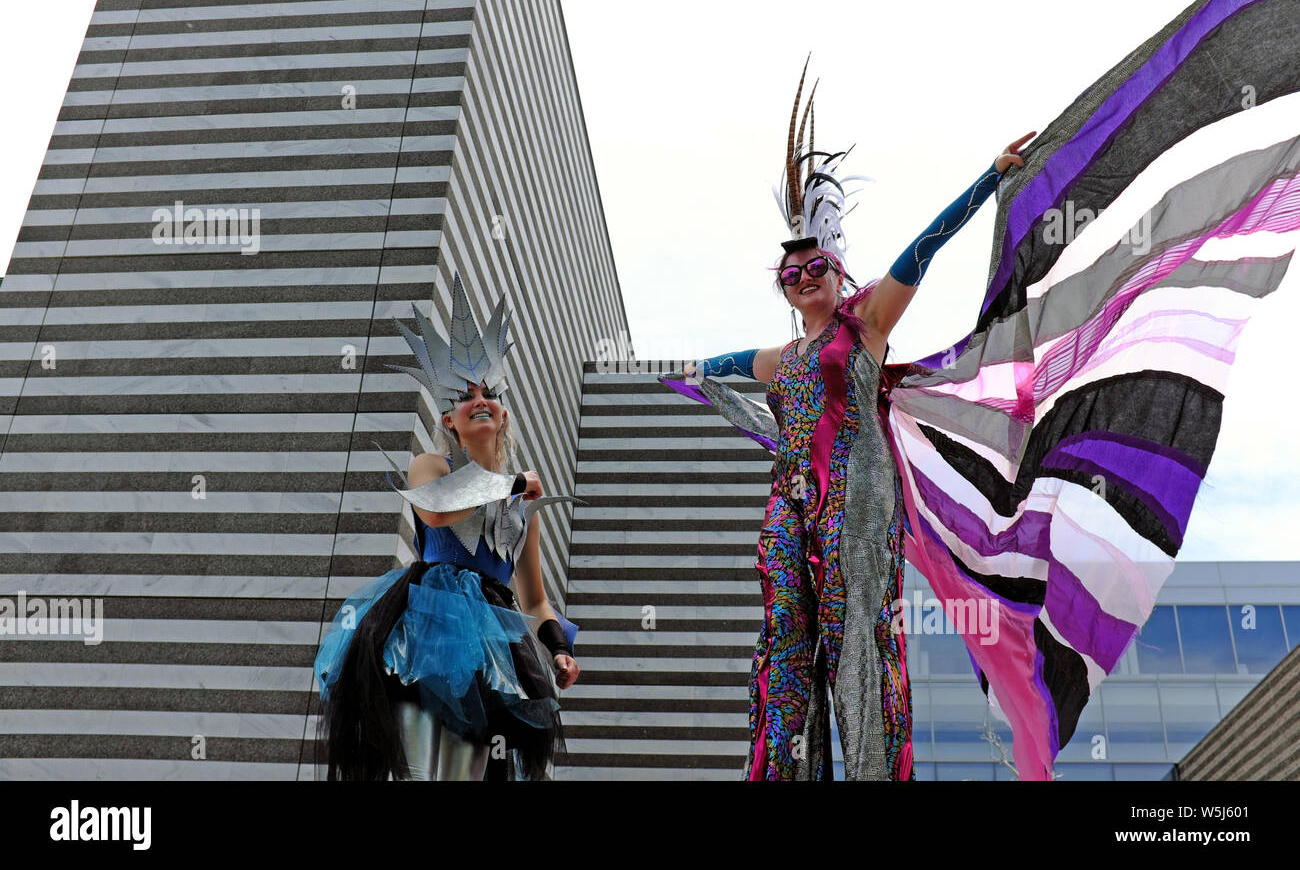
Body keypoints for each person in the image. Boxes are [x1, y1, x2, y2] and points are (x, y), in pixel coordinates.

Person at [667, 63, 1032, 780]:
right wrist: (673, 373)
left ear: (838, 270)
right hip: (790, 503)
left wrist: (988, 178)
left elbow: (923, 248)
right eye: (789, 273)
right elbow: (708, 367)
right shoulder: (780, 356)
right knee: (783, 645)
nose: (801, 278)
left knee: (856, 641)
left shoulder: (864, 323)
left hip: (855, 503)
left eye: (815, 267)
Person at [314, 272, 580, 781]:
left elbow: (534, 599)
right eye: (464, 394)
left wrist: (561, 649)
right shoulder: (431, 465)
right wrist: (512, 483)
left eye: (489, 392)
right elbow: (436, 511)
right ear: (449, 420)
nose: (479, 399)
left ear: (502, 414)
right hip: (424, 625)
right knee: (419, 763)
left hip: (493, 637)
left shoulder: (522, 502)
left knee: (476, 766)